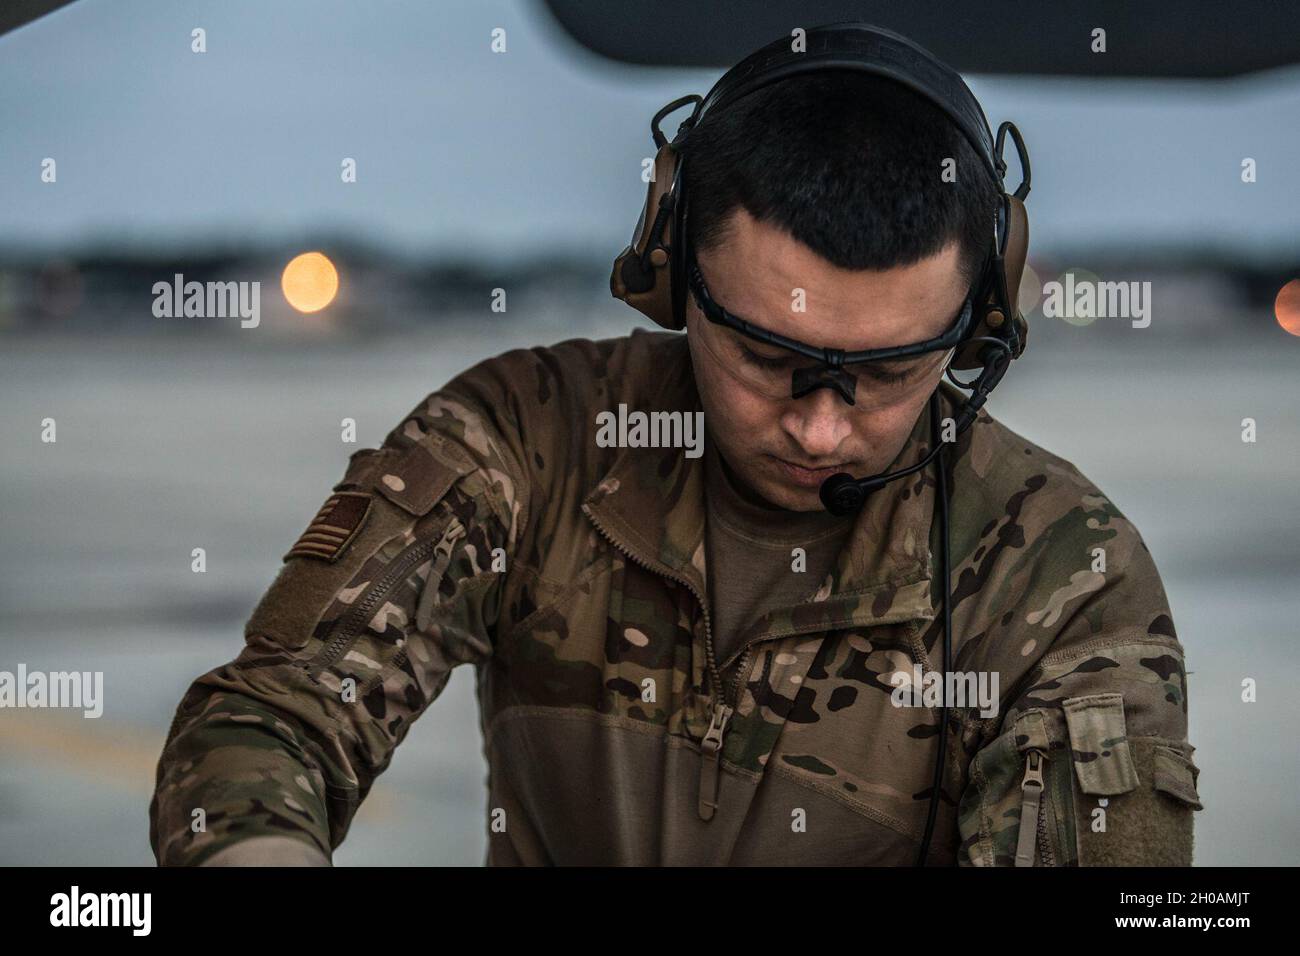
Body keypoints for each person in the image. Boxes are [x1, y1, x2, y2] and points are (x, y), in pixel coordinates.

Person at [150, 24, 1200, 866]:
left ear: (977, 323)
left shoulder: (1061, 570)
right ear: (668, 277)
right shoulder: (530, 437)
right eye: (763, 355)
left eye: (885, 372)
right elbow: (275, 716)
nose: (821, 426)